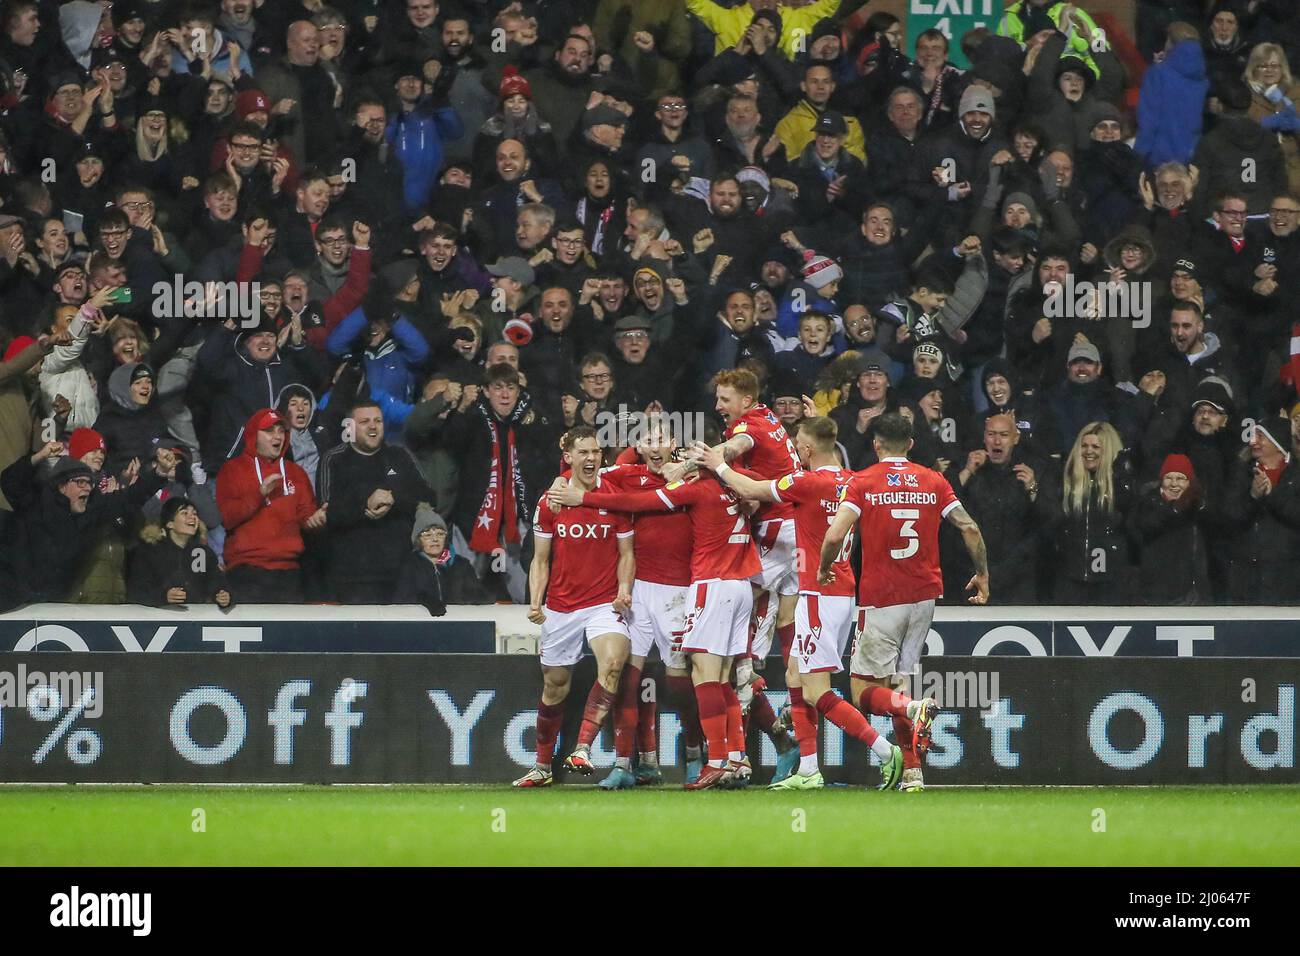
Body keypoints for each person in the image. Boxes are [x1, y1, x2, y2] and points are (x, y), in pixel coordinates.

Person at [550, 424, 763, 791]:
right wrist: (560, 488)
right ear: (637, 446)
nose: (654, 447)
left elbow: (754, 483)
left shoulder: (691, 482)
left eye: (661, 440)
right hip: (637, 590)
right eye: (646, 441)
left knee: (689, 682)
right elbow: (583, 471)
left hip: (684, 591)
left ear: (675, 446)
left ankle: (701, 754)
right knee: (628, 679)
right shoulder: (625, 474)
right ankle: (624, 763)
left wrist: (751, 496)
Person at [820, 412, 990, 792]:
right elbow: (969, 527)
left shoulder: (863, 481)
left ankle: (913, 710)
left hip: (882, 598)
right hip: (924, 597)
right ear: (911, 444)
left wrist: (823, 567)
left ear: (876, 444)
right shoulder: (933, 479)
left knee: (863, 693)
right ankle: (913, 773)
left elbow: (834, 535)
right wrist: (983, 574)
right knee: (899, 682)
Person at [513, 426, 635, 788]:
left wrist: (624, 590)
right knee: (555, 685)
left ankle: (582, 747)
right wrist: (535, 601)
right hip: (562, 605)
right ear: (568, 457)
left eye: (596, 452)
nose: (591, 458)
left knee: (613, 664)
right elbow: (540, 559)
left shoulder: (613, 497)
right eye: (584, 452)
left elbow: (627, 554)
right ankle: (541, 765)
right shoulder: (552, 500)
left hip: (603, 602)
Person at [315, 400, 433, 603]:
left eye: (378, 420)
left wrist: (394, 498)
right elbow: (328, 513)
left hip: (401, 571)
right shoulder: (333, 460)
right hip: (352, 574)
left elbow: (429, 496)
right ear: (349, 428)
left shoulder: (400, 454)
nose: (372, 426)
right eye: (364, 421)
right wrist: (364, 505)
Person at [215, 408, 326, 603]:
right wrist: (259, 494)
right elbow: (227, 518)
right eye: (269, 431)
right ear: (253, 435)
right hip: (247, 571)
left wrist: (314, 520)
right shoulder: (232, 470)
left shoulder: (296, 473)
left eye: (281, 431)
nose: (277, 437)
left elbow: (305, 516)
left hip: (288, 572)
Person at [127, 496, 231, 608]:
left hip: (195, 620)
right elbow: (138, 591)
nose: (192, 517)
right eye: (185, 513)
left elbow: (215, 580)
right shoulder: (150, 552)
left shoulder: (202, 553)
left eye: (195, 514)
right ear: (170, 524)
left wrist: (222, 594)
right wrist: (164, 596)